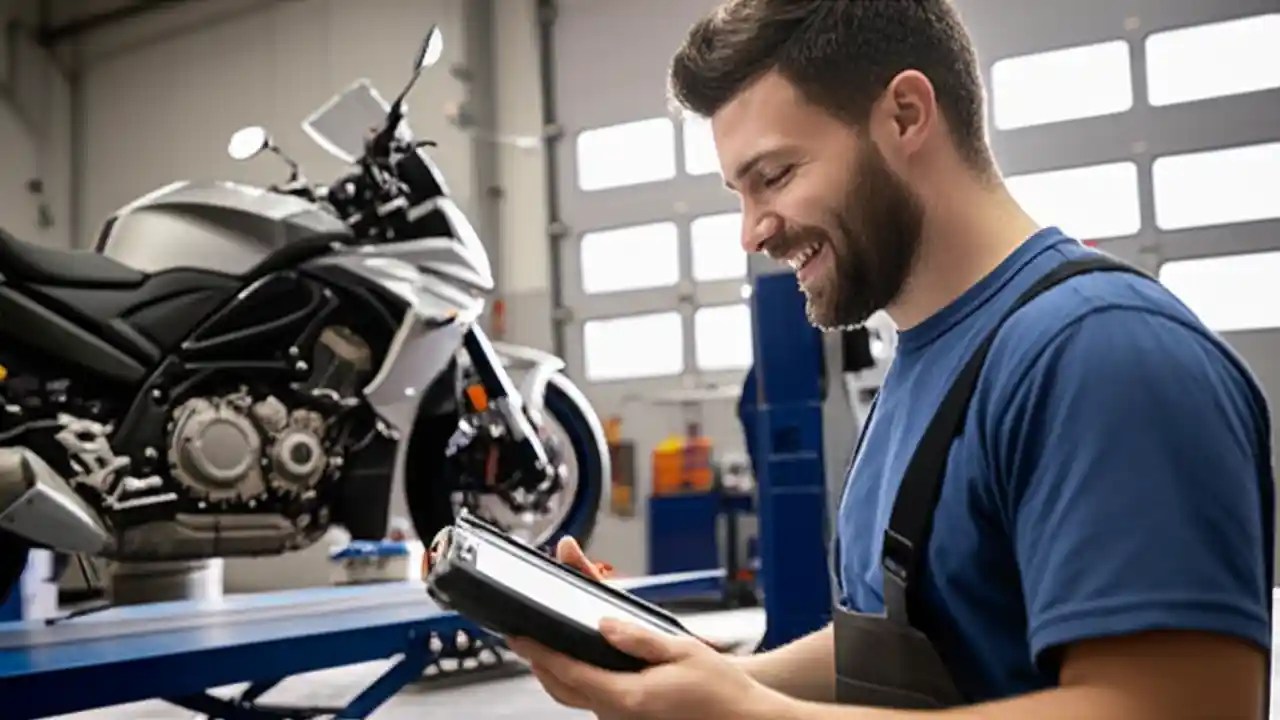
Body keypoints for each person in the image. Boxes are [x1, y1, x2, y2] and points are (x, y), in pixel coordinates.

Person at [507, 1, 1275, 717]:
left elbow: (1176, 705)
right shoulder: (929, 359)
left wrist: (750, 715)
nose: (752, 233)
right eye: (738, 192)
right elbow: (922, 626)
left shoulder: (1101, 355)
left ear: (905, 115)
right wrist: (711, 671)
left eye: (774, 176)